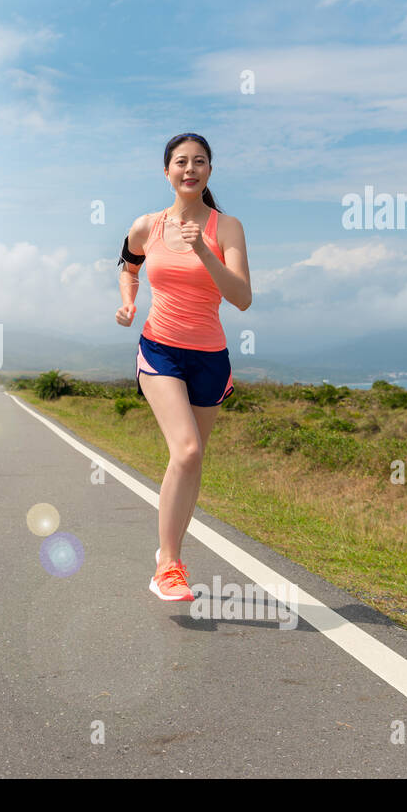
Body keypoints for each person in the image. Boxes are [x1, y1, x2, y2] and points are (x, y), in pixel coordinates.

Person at [114, 133, 252, 602]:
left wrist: (203, 251)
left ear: (210, 171)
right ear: (167, 171)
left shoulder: (226, 227)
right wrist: (128, 302)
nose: (190, 169)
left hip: (210, 358)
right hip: (161, 350)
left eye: (199, 162)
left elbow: (241, 298)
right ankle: (168, 566)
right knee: (188, 451)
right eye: (181, 162)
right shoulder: (147, 226)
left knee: (189, 464)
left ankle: (167, 556)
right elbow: (128, 266)